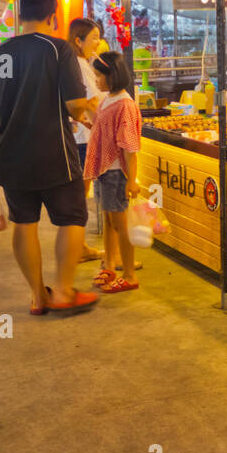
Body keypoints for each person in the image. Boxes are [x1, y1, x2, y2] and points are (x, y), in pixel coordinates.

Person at [0, 0, 98, 314]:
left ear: (20, 17)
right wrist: (91, 111)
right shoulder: (58, 50)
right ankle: (64, 291)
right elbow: (74, 105)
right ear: (53, 17)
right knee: (72, 218)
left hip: (9, 155)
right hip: (54, 154)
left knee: (24, 222)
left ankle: (38, 296)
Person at [83, 51, 143, 294]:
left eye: (99, 75)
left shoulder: (125, 104)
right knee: (108, 221)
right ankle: (110, 265)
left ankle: (128, 275)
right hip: (105, 172)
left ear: (112, 75)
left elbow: (130, 146)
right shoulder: (108, 98)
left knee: (120, 224)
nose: (96, 80)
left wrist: (132, 179)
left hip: (117, 173)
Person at [68, 17, 108, 263]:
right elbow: (92, 103)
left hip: (79, 135)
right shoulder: (80, 64)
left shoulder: (75, 62)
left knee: (78, 194)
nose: (98, 42)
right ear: (78, 40)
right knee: (79, 195)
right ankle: (79, 247)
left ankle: (78, 245)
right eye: (93, 38)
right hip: (84, 140)